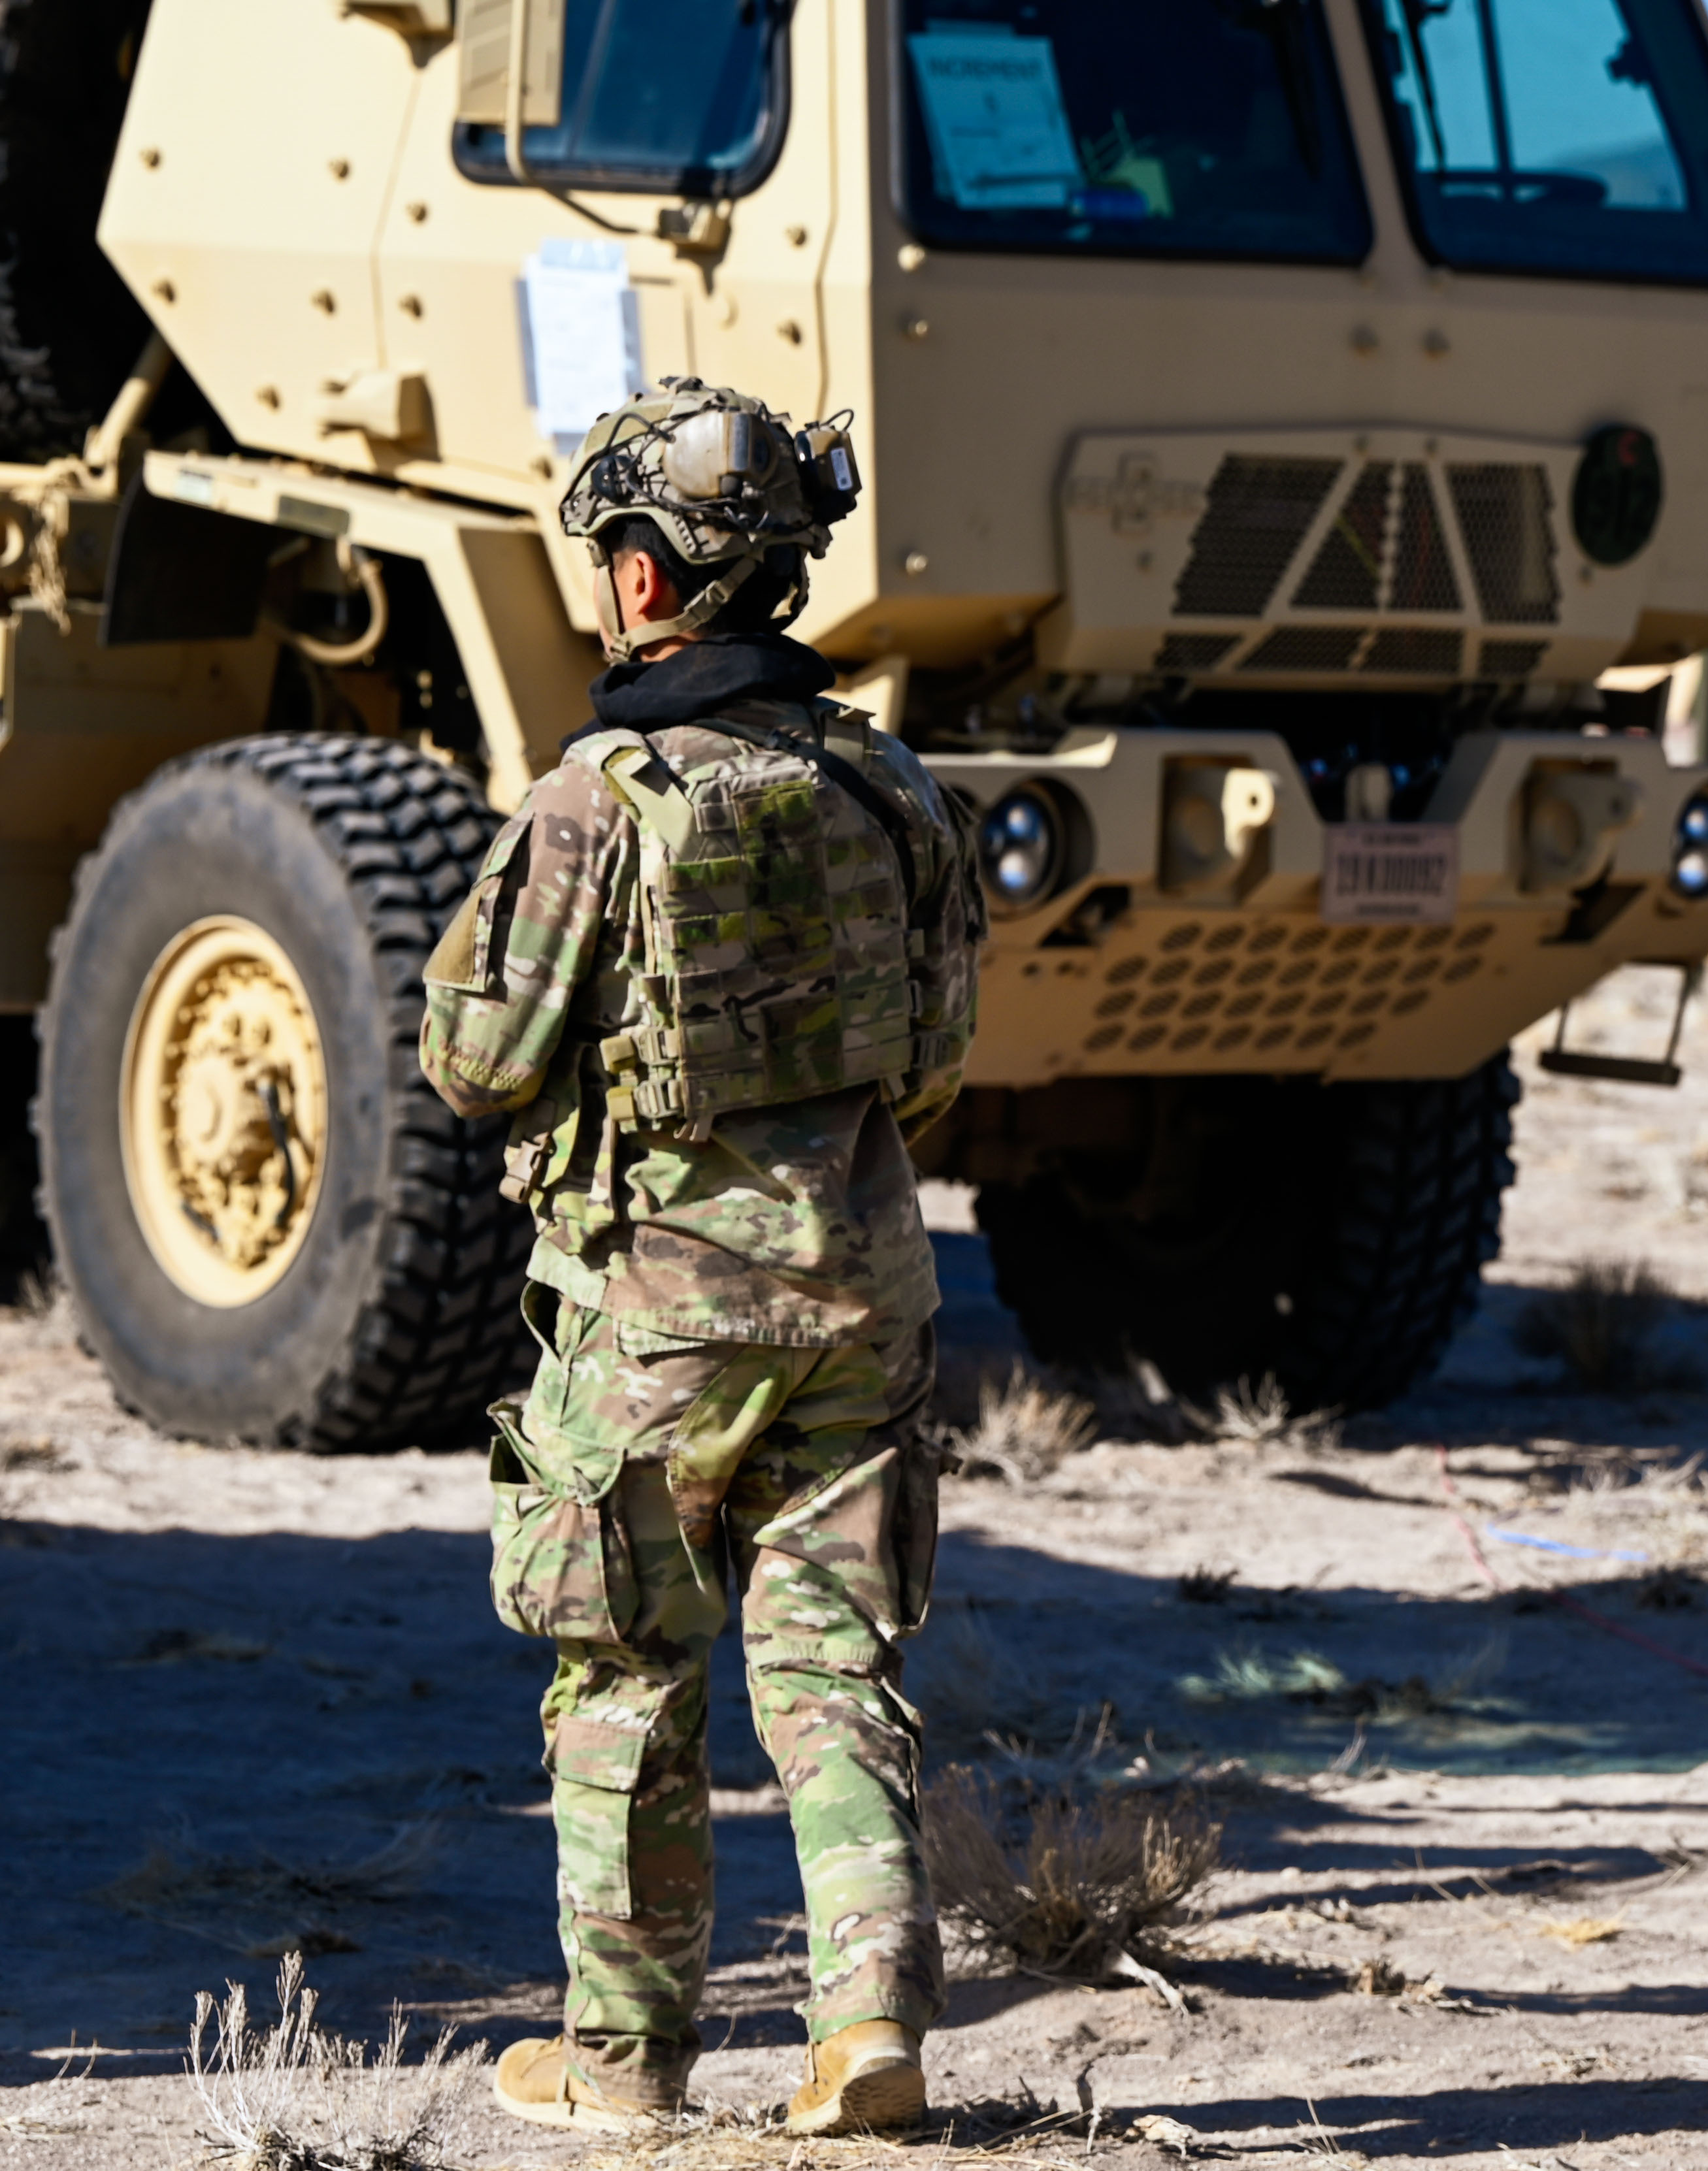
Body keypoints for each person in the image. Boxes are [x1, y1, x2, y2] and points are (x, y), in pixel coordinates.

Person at [419, 377, 985, 2136]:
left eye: (608, 555)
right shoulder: (891, 782)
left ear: (649, 580)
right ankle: (867, 2025)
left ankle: (622, 2064)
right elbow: (941, 1056)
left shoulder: (603, 797)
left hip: (657, 1316)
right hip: (864, 1296)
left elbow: (473, 1055)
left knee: (627, 1677)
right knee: (833, 1670)